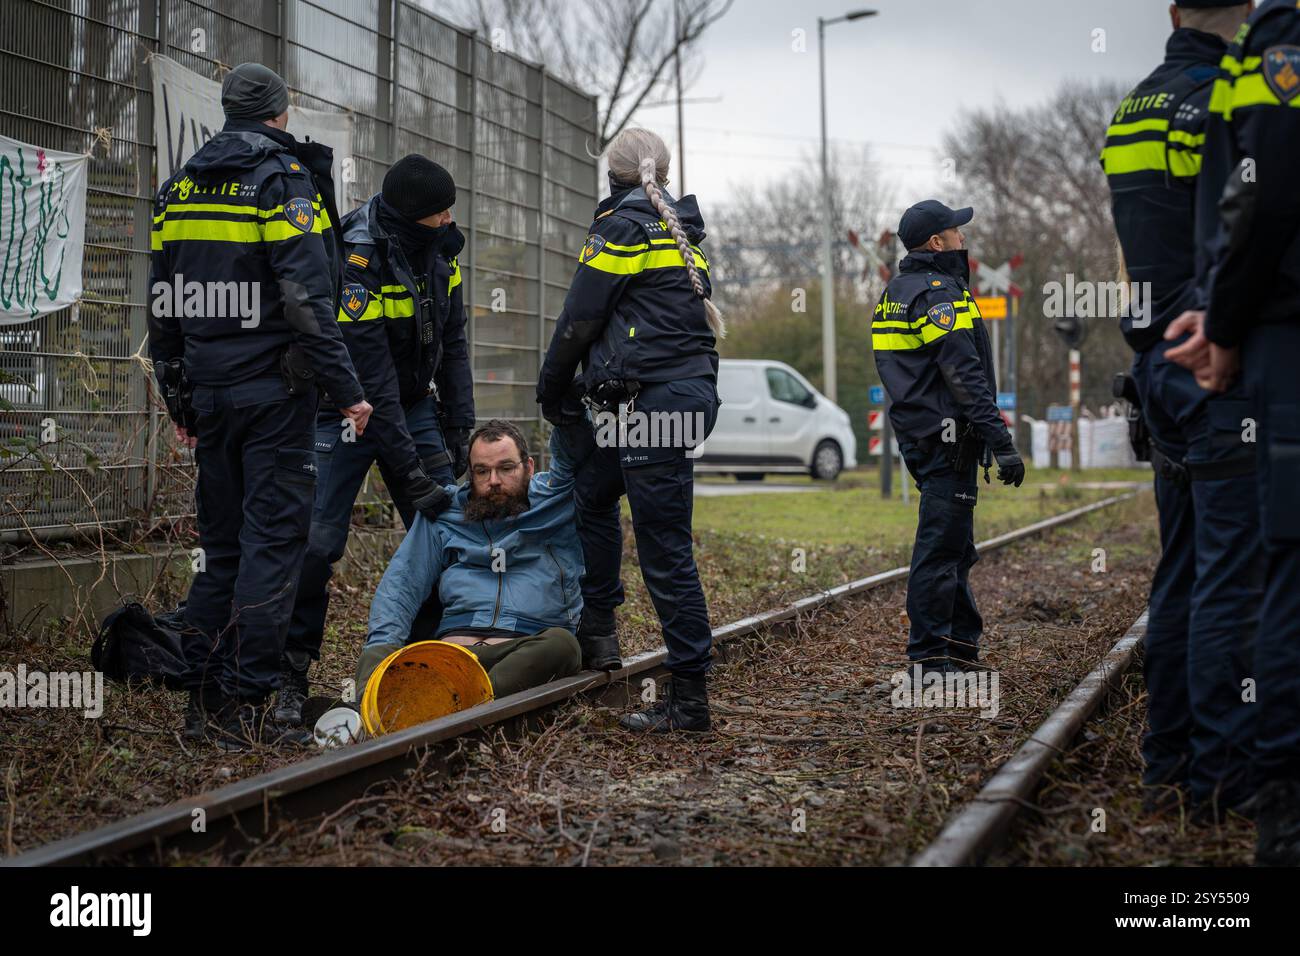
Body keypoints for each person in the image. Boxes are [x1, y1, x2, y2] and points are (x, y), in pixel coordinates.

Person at [147, 62, 372, 750]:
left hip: (210, 396)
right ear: (282, 111)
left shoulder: (178, 188)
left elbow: (164, 304)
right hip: (275, 399)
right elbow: (308, 299)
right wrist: (348, 391)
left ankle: (203, 706)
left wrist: (177, 396)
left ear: (225, 110)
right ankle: (246, 710)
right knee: (272, 549)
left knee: (220, 553)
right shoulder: (281, 180)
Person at [1100, 0, 1261, 820]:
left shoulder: (1135, 104)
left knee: (1184, 571)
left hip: (1155, 361)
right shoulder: (1226, 95)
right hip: (1214, 357)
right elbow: (1236, 232)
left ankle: (1167, 764)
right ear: (1247, 9)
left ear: (1171, 9)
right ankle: (1219, 782)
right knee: (1232, 578)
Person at [1164, 0, 1300, 864]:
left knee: (1263, 567)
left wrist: (1224, 319)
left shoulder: (1274, 51)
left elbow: (1260, 193)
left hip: (1267, 346)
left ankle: (1254, 788)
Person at [535, 128, 723, 733]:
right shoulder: (683, 234)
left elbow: (580, 316)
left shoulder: (621, 227)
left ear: (610, 174)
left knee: (665, 550)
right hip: (672, 401)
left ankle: (690, 702)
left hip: (652, 408)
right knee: (592, 493)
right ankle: (600, 630)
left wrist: (551, 386)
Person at [277, 155, 474, 726]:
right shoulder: (359, 253)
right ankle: (290, 675)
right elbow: (370, 374)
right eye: (439, 211)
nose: (448, 219)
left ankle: (432, 658)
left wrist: (460, 422)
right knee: (315, 543)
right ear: (412, 215)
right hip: (344, 407)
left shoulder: (441, 249)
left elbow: (455, 341)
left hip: (410, 403)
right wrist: (407, 465)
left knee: (444, 527)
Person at [872, 201, 1024, 675]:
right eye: (956, 231)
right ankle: (930, 661)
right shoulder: (940, 295)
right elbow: (964, 377)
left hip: (921, 436)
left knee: (956, 548)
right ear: (937, 242)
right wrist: (1001, 442)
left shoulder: (897, 290)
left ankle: (958, 652)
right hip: (947, 438)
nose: (963, 238)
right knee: (940, 550)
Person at [355, 420, 587, 700]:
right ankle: (375, 710)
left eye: (506, 468)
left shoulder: (555, 501)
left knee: (563, 646)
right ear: (470, 474)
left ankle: (451, 701)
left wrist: (563, 406)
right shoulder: (445, 512)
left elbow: (573, 447)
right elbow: (402, 583)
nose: (494, 481)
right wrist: (381, 652)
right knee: (385, 659)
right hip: (452, 654)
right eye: (482, 471)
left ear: (528, 467)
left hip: (525, 646)